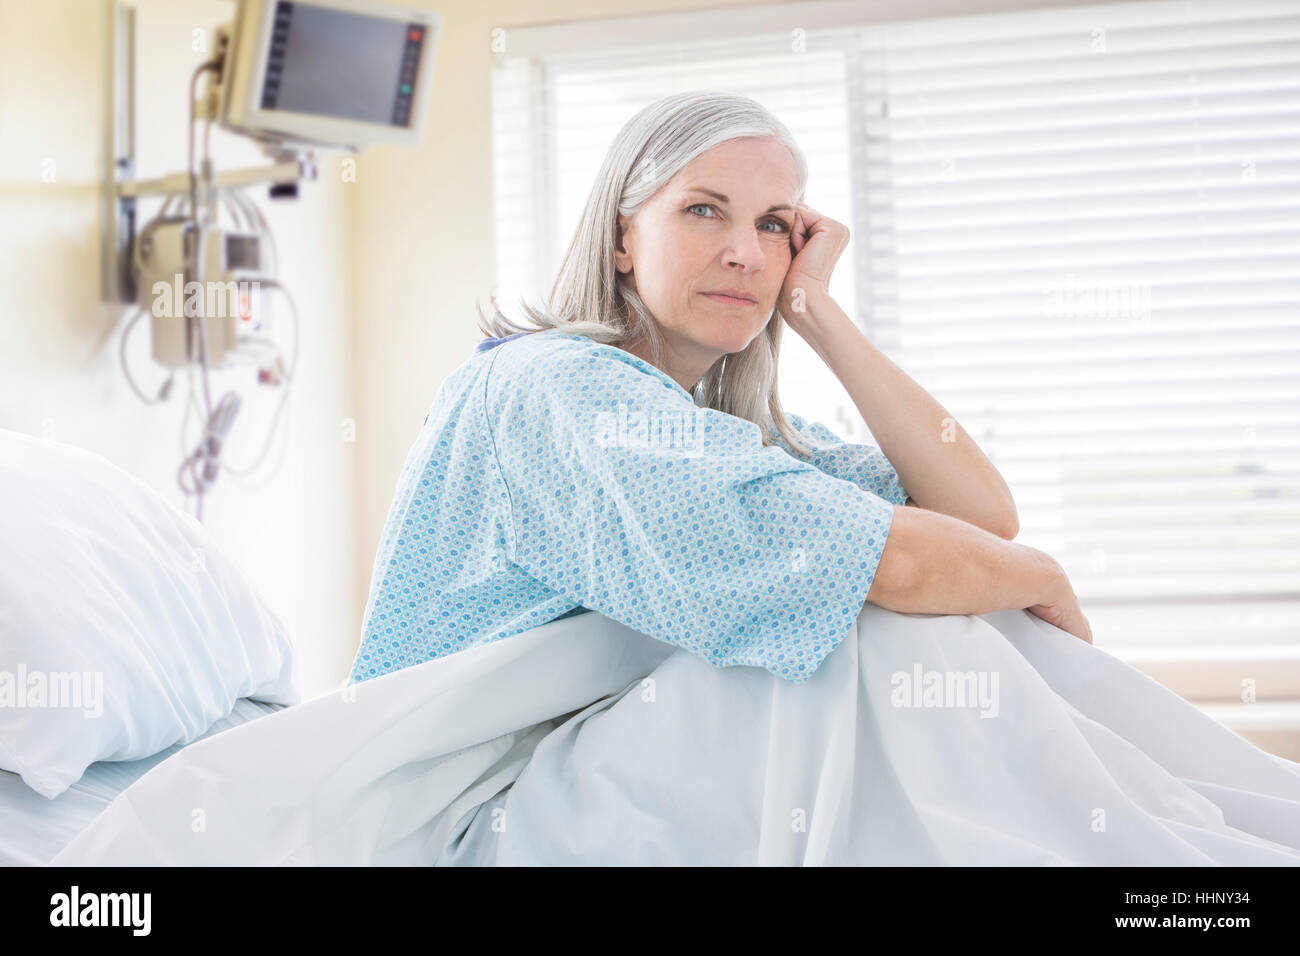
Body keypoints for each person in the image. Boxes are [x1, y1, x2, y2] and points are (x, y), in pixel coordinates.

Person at [350, 92, 1300, 864]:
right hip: (476, 820)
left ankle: (1167, 840)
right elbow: (900, 567)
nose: (745, 252)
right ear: (621, 236)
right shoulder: (557, 385)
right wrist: (1045, 579)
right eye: (703, 210)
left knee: (904, 604)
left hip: (581, 788)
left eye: (774, 226)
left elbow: (976, 514)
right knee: (867, 623)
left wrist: (815, 311)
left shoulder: (718, 426)